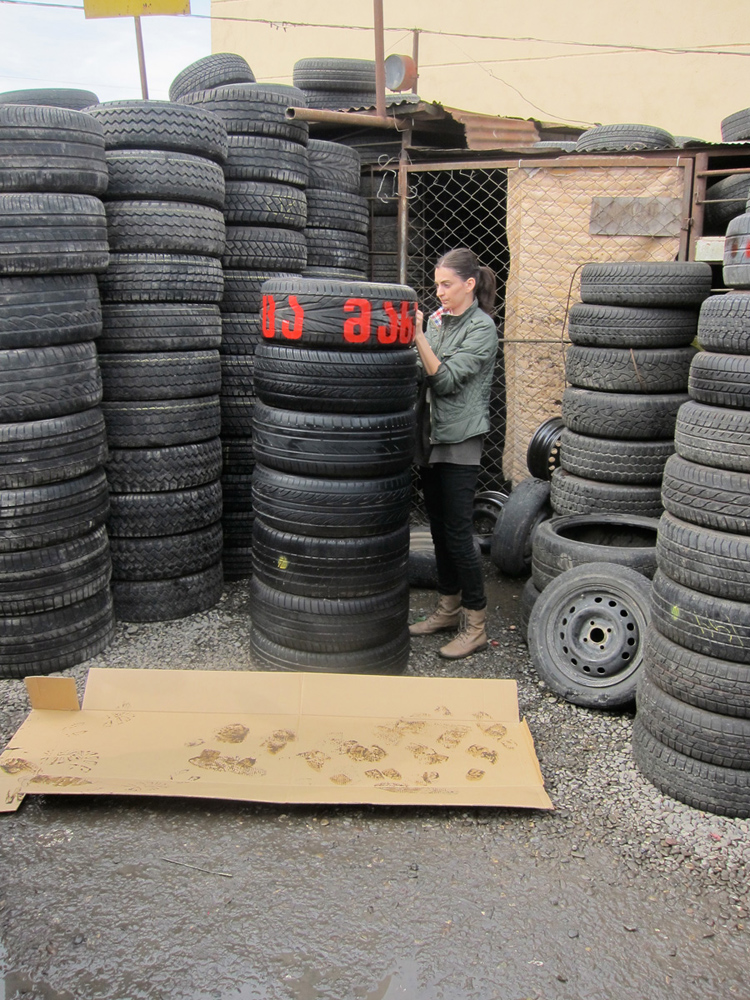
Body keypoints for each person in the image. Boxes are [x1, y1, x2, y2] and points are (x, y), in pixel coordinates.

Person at [409, 247, 499, 659]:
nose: (439, 292)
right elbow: (421, 372)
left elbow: (443, 381)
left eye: (446, 284)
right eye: (436, 284)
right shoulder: (437, 320)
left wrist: (419, 339)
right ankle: (447, 609)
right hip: (431, 436)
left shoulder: (482, 329)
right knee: (441, 531)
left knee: (460, 536)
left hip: (461, 439)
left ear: (469, 284)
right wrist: (425, 336)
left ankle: (476, 624)